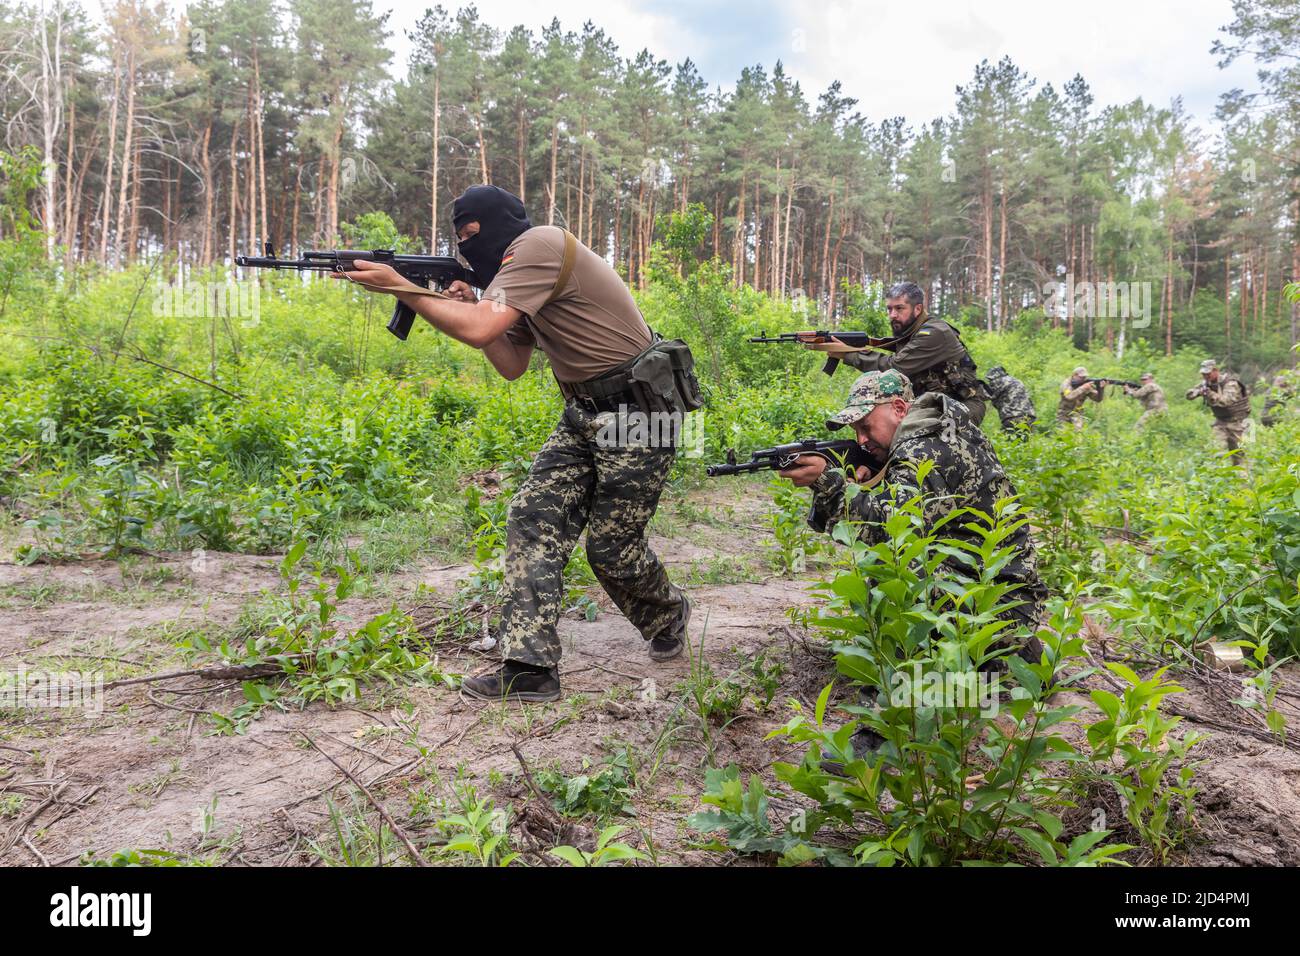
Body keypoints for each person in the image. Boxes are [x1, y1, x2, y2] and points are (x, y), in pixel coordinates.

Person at [337, 184, 693, 702]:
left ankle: (668, 612)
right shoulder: (519, 278)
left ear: (504, 223)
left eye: (473, 234)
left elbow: (483, 330)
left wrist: (404, 288)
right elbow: (510, 363)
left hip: (637, 412)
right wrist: (457, 301)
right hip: (584, 412)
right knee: (532, 517)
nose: (466, 247)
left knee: (611, 547)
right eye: (459, 239)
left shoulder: (539, 244)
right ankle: (530, 668)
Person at [778, 369, 1047, 766]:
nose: (861, 439)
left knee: (895, 582)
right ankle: (1023, 662)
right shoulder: (942, 423)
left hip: (999, 597)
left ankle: (877, 739)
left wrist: (831, 484)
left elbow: (890, 532)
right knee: (944, 574)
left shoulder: (926, 450)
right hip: (1008, 589)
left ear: (900, 408)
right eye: (854, 430)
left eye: (866, 425)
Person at [804, 281, 987, 424]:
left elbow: (895, 367)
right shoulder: (912, 332)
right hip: (933, 402)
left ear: (918, 309)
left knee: (912, 435)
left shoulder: (933, 332)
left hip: (962, 405)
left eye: (899, 308)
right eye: (889, 309)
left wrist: (847, 354)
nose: (892, 315)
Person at [1186, 359, 1250, 464]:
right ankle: (1217, 474)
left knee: (1238, 456)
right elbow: (1189, 395)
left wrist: (1210, 394)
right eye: (1203, 374)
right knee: (1216, 451)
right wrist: (1198, 392)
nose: (1206, 377)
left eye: (1208, 374)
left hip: (1237, 423)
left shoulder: (1230, 383)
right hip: (1221, 422)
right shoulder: (1207, 384)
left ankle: (1241, 478)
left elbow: (1226, 401)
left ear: (1216, 371)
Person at [984, 365, 1036, 436]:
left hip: (1013, 418)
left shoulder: (1000, 380)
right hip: (1030, 418)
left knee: (1006, 443)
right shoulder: (1016, 381)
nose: (990, 382)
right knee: (1026, 444)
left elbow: (985, 395)